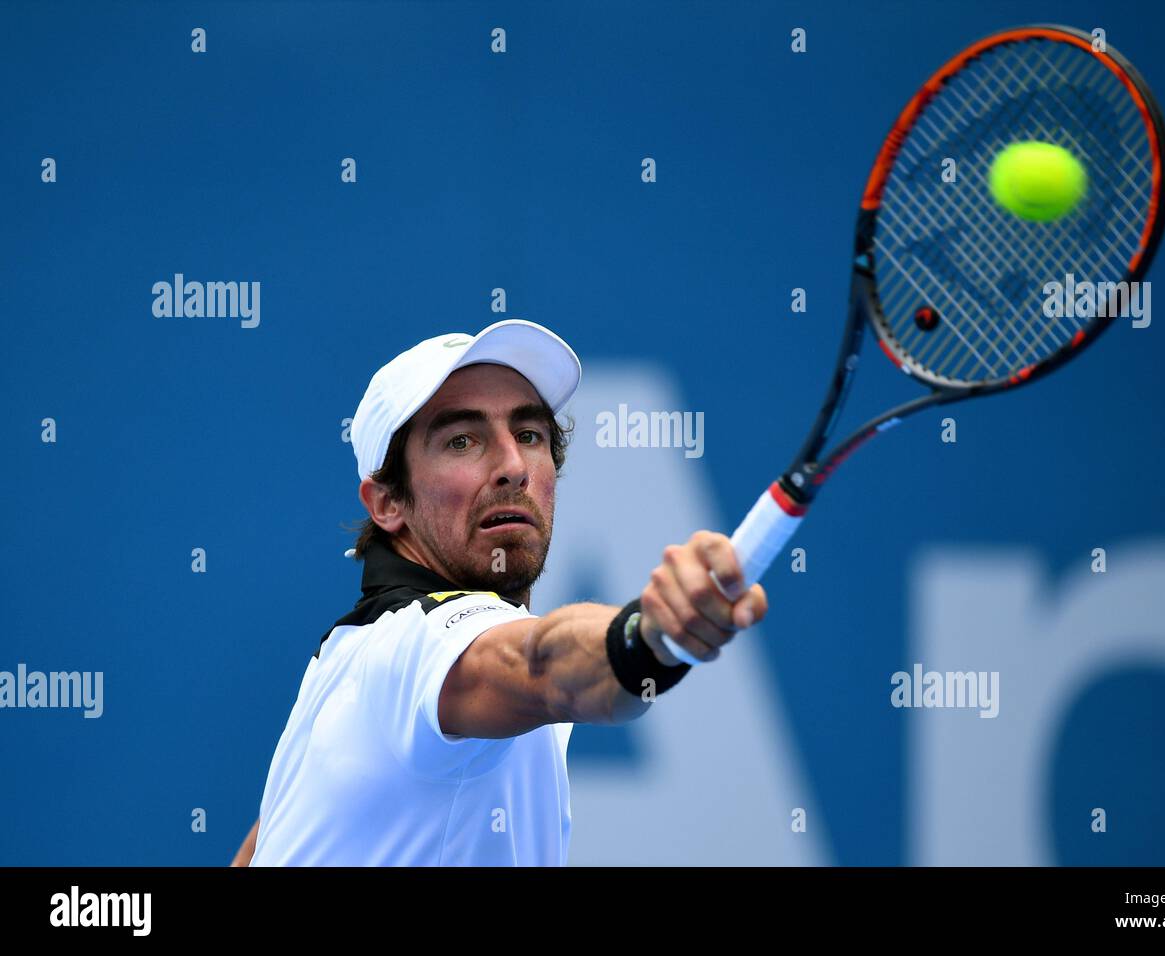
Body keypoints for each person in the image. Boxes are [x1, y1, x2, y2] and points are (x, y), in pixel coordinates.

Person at [231, 319, 766, 866]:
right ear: (387, 502)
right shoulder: (418, 644)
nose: (512, 467)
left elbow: (271, 842)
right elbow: (537, 664)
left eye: (529, 435)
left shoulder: (349, 660)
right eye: (462, 440)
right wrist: (646, 634)